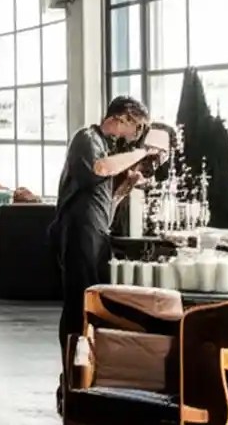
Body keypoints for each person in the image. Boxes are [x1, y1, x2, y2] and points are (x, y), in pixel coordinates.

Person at [49, 96, 159, 407]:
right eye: (136, 127)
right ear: (122, 118)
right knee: (76, 308)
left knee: (93, 308)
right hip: (77, 236)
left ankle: (85, 376)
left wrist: (126, 186)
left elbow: (104, 205)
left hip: (95, 236)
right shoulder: (86, 139)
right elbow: (99, 168)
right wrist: (141, 153)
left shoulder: (105, 150)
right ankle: (69, 379)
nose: (134, 134)